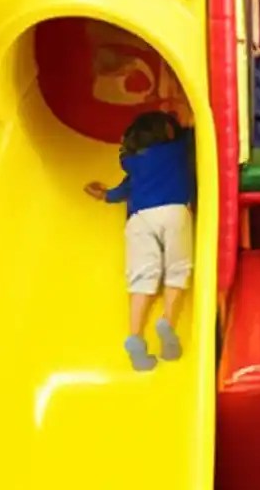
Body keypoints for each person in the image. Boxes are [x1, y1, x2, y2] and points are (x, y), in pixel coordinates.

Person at [85, 111, 196, 372]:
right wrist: (186, 121)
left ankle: (135, 337)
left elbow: (122, 191)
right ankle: (167, 322)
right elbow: (193, 126)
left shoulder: (133, 162)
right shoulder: (178, 149)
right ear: (167, 132)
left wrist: (103, 194)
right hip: (174, 211)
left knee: (142, 278)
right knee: (177, 271)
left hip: (139, 219)